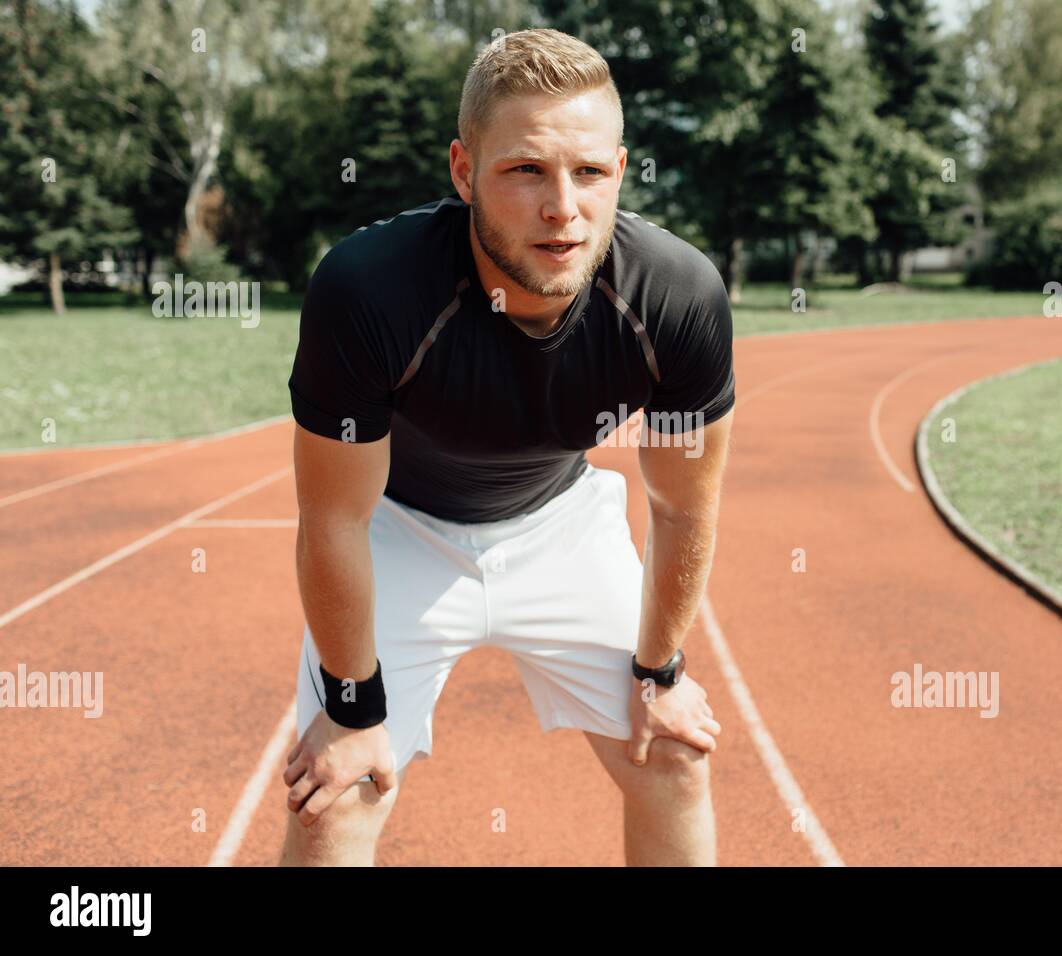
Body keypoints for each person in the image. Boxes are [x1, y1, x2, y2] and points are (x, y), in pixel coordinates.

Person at [279, 27, 735, 866]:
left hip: (557, 525)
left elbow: (681, 506)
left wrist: (660, 674)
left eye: (589, 172)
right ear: (463, 171)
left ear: (620, 173)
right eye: (525, 169)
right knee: (337, 794)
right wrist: (350, 709)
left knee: (672, 752)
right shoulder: (367, 291)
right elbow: (333, 520)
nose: (563, 206)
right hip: (398, 532)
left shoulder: (677, 300)